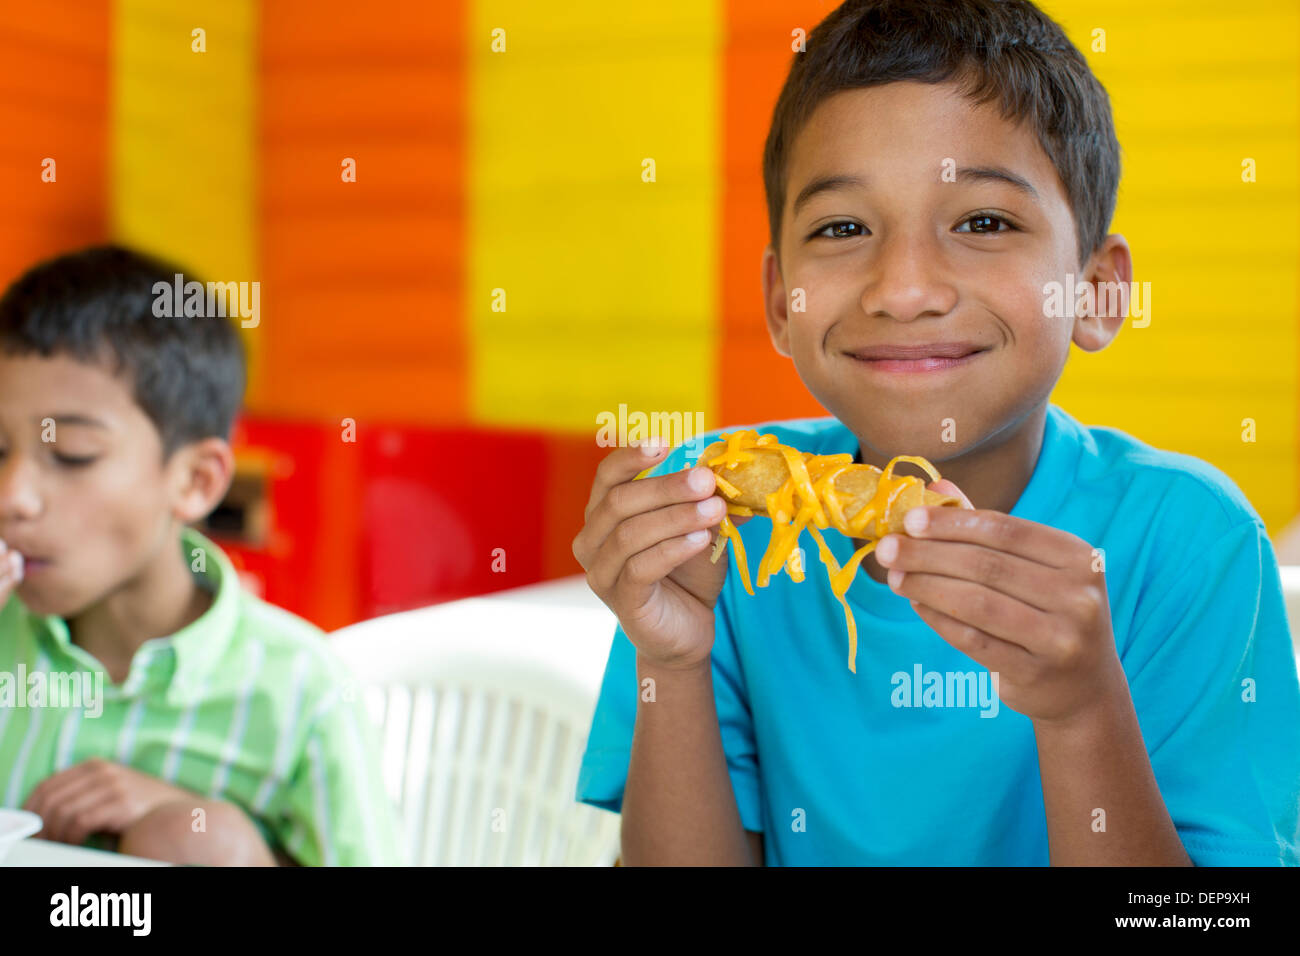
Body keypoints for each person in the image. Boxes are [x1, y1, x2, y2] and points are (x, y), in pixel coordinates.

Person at [572, 0, 1300, 865]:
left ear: (1098, 291)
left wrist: (1079, 711)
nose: (904, 288)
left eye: (984, 223)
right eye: (843, 229)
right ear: (780, 301)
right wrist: (674, 660)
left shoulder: (1191, 540)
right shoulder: (710, 529)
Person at [0, 245, 403, 865]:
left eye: (73, 453)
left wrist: (200, 828)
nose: (14, 498)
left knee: (197, 838)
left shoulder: (300, 692)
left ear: (195, 481)